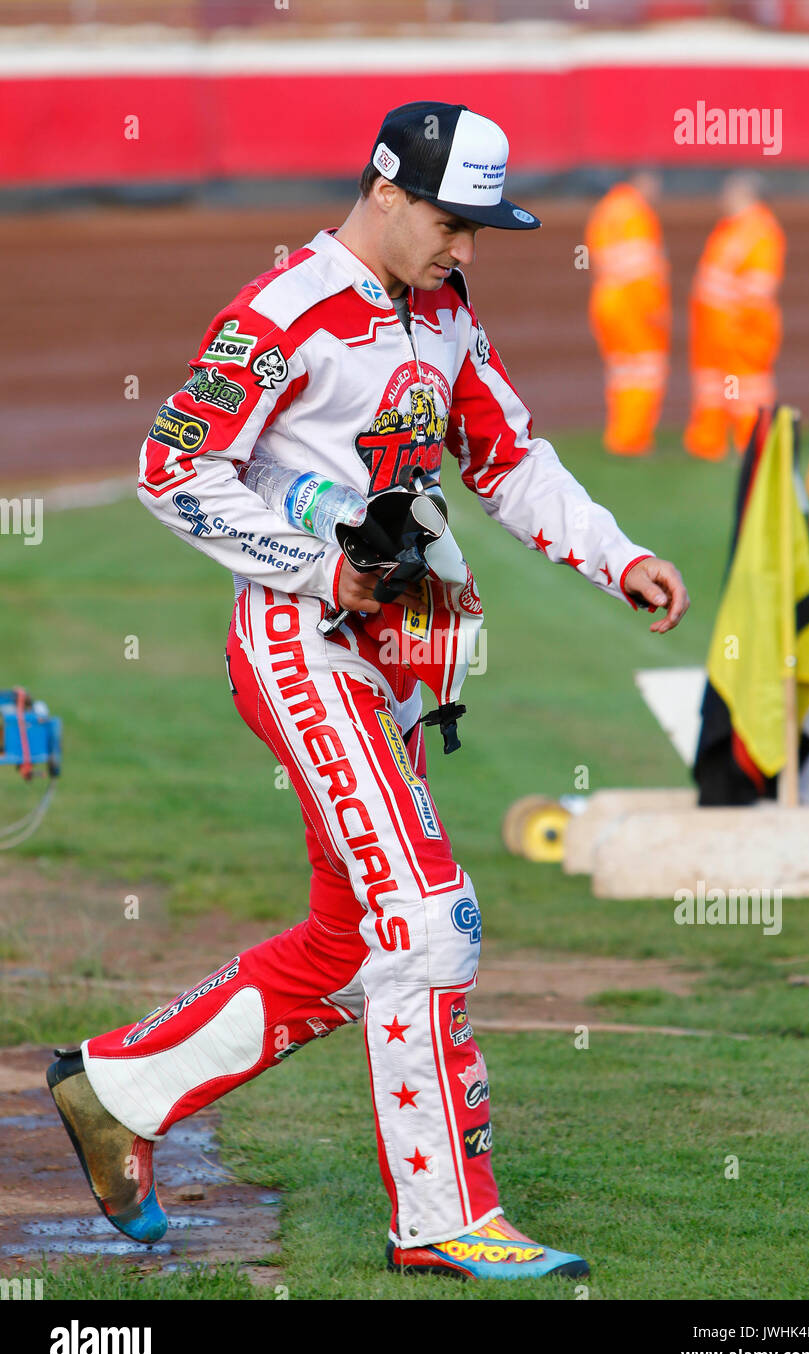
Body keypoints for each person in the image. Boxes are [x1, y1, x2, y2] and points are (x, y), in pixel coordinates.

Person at [47, 101, 689, 1282]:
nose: (466, 247)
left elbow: (508, 458)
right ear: (386, 191)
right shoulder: (282, 311)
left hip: (380, 663)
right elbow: (170, 468)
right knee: (431, 919)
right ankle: (441, 1215)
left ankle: (116, 1088)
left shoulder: (444, 308)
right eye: (452, 221)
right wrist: (319, 566)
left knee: (349, 946)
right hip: (299, 646)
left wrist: (619, 554)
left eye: (481, 228)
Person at [684, 173, 786, 461]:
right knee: (712, 386)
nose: (723, 196)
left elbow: (758, 287)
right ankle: (708, 443)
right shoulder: (731, 228)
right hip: (716, 329)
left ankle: (754, 446)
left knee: (749, 389)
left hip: (742, 328)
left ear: (747, 194)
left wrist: (741, 327)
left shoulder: (760, 229)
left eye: (730, 191)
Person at [585, 172, 670, 456]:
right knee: (645, 369)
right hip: (632, 303)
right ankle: (634, 439)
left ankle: (619, 435)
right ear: (642, 181)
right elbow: (643, 269)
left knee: (621, 370)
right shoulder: (637, 213)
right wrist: (655, 309)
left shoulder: (606, 209)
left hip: (605, 299)